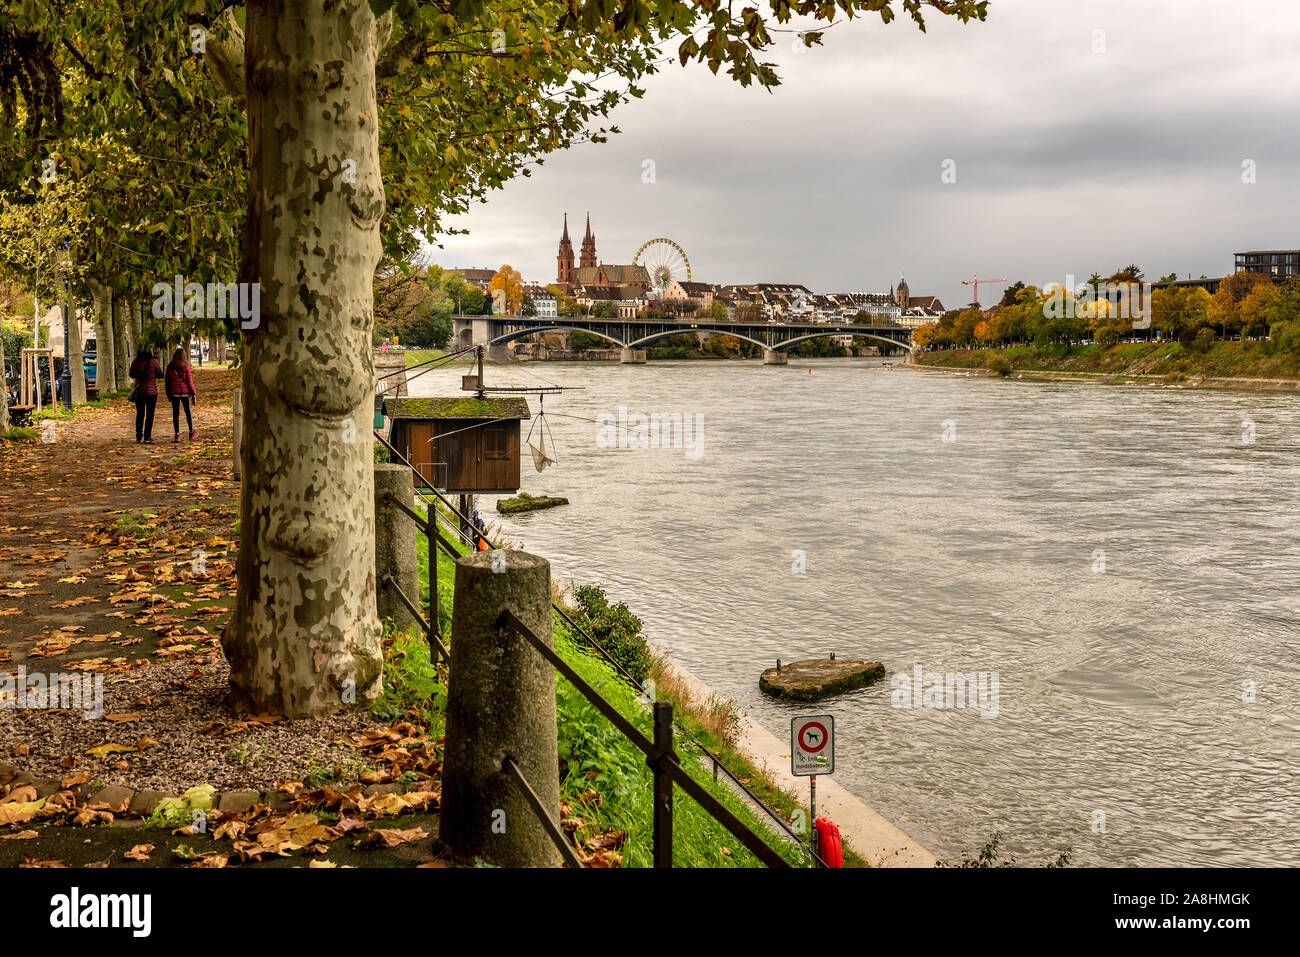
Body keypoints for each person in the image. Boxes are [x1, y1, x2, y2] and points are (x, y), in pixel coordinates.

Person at [128, 347, 163, 443]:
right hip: (152, 392)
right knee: (150, 414)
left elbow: (131, 374)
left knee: (140, 414)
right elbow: (160, 374)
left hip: (139, 391)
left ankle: (138, 436)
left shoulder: (135, 362)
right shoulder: (154, 362)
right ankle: (147, 437)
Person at [164, 347, 199, 442]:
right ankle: (191, 432)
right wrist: (193, 393)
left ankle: (177, 435)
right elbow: (189, 382)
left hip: (174, 393)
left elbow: (167, 382)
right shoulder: (185, 366)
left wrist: (168, 394)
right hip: (184, 393)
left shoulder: (170, 366)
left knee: (176, 414)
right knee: (188, 413)